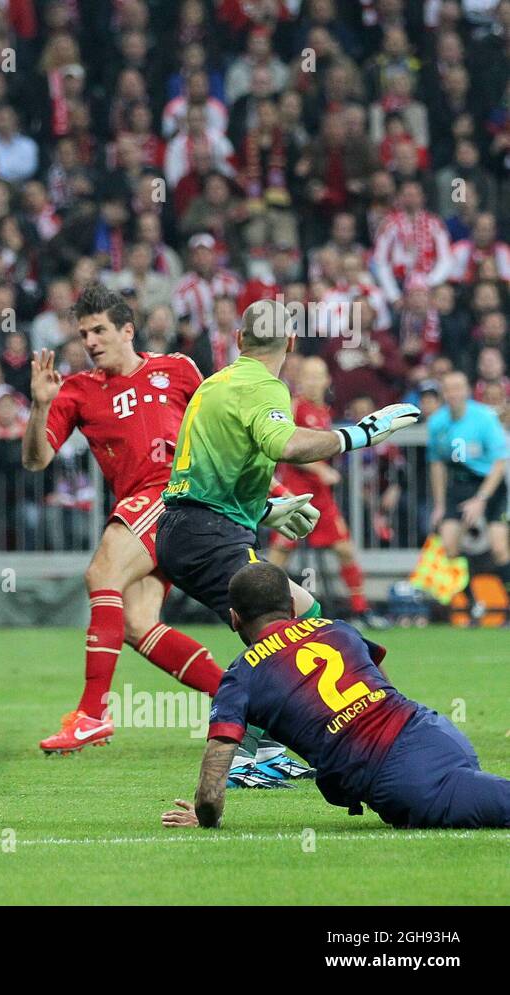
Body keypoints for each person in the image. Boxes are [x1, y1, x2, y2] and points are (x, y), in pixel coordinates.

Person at [155, 299, 419, 784]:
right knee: (281, 632)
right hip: (210, 533)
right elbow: (286, 445)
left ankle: (268, 747)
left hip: (186, 528)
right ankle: (246, 754)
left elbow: (207, 470)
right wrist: (359, 434)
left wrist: (267, 509)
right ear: (291, 343)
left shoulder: (216, 385)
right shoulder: (266, 386)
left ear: (239, 341)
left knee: (303, 615)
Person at [22, 283, 225, 754]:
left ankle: (92, 715)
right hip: (143, 510)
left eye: (99, 330)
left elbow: (220, 428)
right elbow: (35, 460)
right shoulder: (74, 391)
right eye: (84, 333)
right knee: (134, 623)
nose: (90, 341)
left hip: (174, 493)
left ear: (127, 330)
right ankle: (240, 698)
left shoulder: (177, 369)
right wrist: (40, 406)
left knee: (101, 572)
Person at [162, 562, 510, 830]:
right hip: (434, 732)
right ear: (292, 608)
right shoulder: (336, 628)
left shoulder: (241, 674)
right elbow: (386, 687)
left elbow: (216, 769)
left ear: (235, 619)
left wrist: (206, 816)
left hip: (403, 777)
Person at [265, 357, 379, 624]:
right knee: (280, 553)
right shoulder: (293, 407)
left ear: (327, 380)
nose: (314, 382)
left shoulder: (324, 411)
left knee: (344, 549)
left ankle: (361, 610)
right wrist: (321, 469)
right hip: (293, 493)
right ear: (300, 379)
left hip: (321, 496)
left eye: (319, 376)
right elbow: (289, 448)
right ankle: (260, 609)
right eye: (309, 376)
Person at [427, 370, 509, 584]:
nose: (453, 394)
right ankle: (472, 606)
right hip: (459, 484)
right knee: (449, 545)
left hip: (489, 484)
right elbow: (437, 464)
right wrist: (439, 504)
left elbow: (500, 463)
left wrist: (481, 499)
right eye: (448, 389)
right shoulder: (437, 422)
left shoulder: (484, 418)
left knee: (499, 547)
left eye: (457, 388)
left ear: (467, 391)